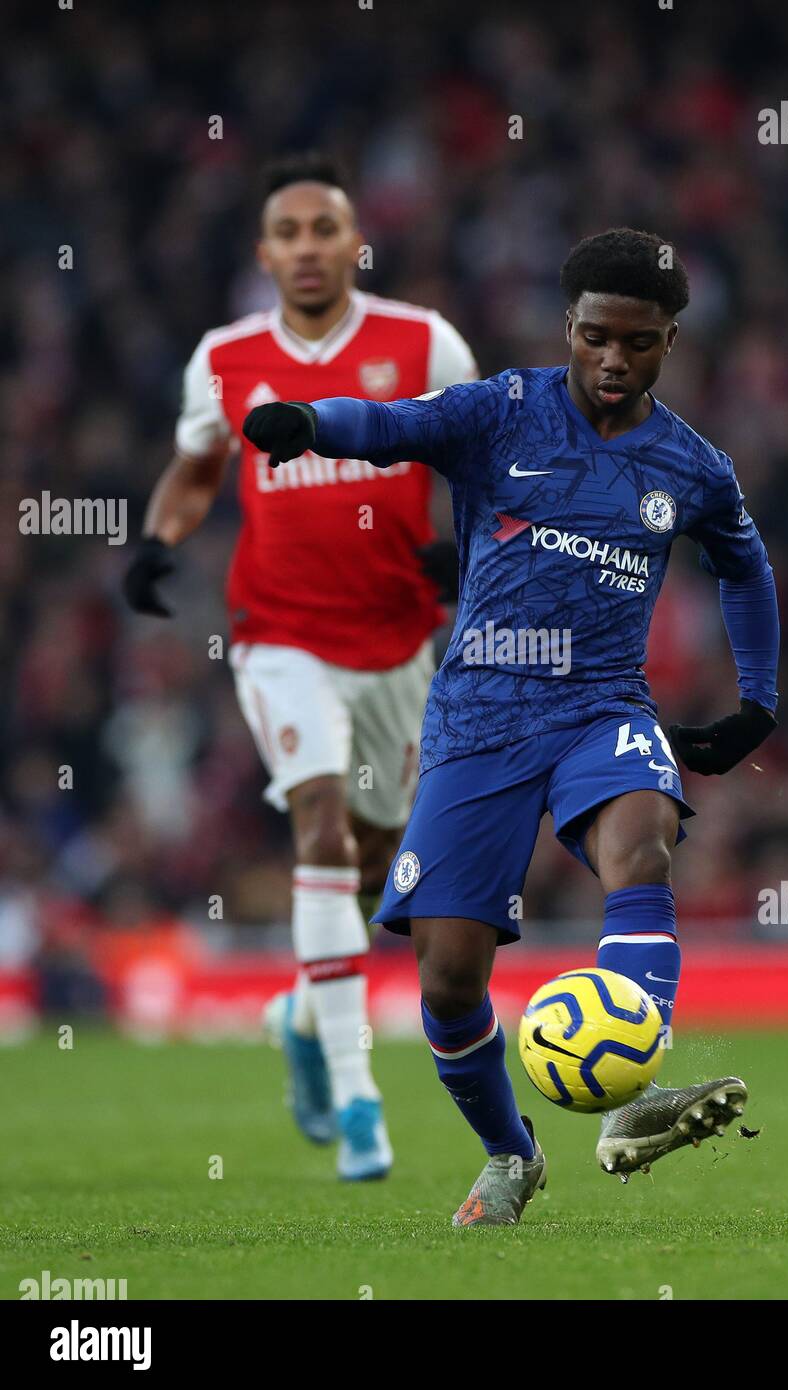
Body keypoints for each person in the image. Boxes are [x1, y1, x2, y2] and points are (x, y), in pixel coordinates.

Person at [241, 227, 779, 1224]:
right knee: (446, 978)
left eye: (639, 341)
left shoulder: (693, 465)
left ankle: (629, 1090)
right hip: (478, 718)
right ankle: (512, 1151)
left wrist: (756, 700)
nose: (613, 359)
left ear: (670, 341)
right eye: (594, 337)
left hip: (601, 707)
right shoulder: (502, 413)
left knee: (642, 848)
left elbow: (743, 566)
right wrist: (310, 420)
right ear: (566, 329)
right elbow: (393, 424)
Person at [123, 152, 478, 1181]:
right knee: (317, 819)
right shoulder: (225, 358)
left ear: (353, 242)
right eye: (289, 232)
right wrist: (160, 539)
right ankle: (361, 1099)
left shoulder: (422, 342)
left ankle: (298, 1013)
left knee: (376, 863)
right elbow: (196, 466)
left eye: (325, 228)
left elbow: (491, 456)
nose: (308, 248)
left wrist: (470, 539)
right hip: (279, 636)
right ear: (264, 252)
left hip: (401, 642)